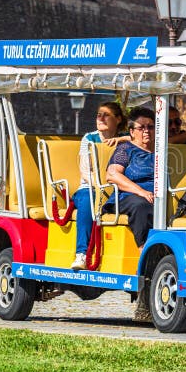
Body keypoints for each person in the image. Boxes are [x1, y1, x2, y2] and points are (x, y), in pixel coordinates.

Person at [71, 101, 128, 270]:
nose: (101, 118)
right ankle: (81, 254)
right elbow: (84, 171)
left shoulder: (124, 138)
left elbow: (138, 140)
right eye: (98, 115)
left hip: (117, 188)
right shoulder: (89, 138)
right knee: (89, 199)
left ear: (117, 119)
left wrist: (121, 139)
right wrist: (100, 187)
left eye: (106, 115)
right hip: (90, 187)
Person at [103, 106, 156, 248]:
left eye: (150, 127)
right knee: (141, 205)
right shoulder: (126, 149)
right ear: (132, 132)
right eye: (141, 128)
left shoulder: (161, 151)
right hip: (127, 197)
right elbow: (112, 175)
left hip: (156, 197)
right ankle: (144, 250)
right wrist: (140, 191)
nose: (146, 131)